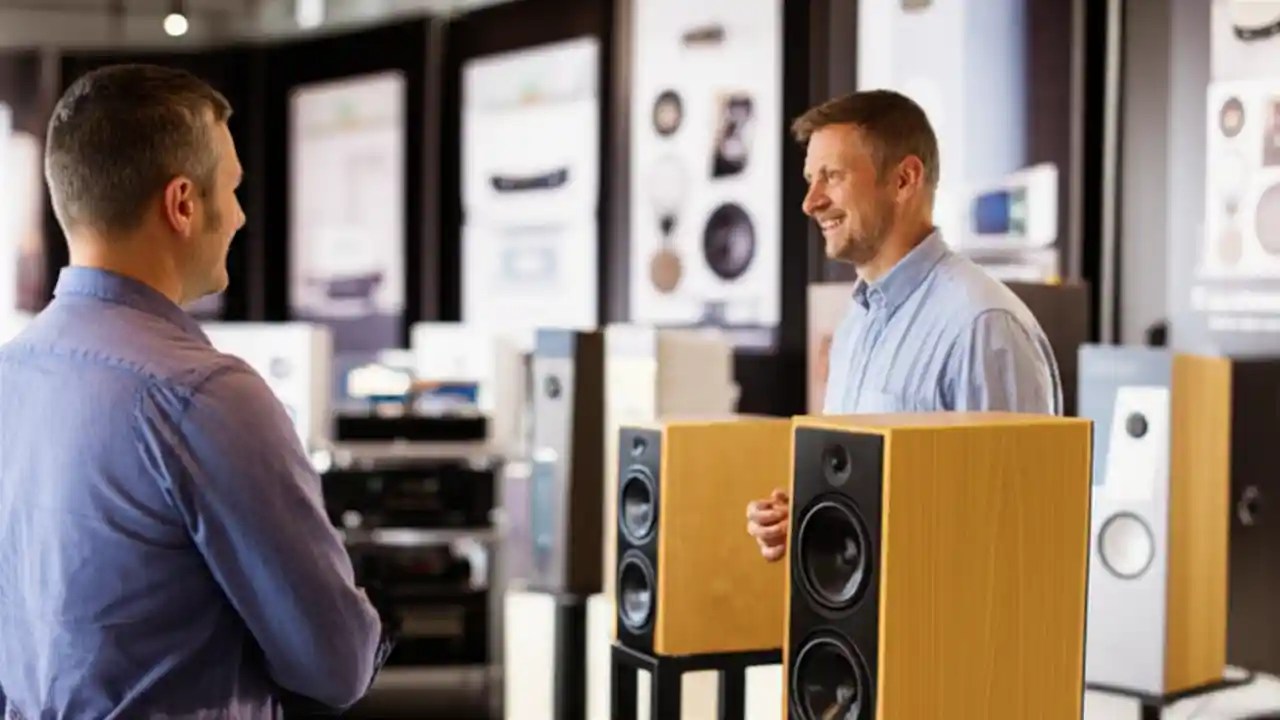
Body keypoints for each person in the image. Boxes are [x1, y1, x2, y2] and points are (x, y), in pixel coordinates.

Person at [0, 64, 390, 719]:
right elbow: (335, 664)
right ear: (183, 203)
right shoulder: (205, 395)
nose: (238, 215)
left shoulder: (13, 372)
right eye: (233, 188)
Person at [747, 90, 1062, 562]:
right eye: (811, 179)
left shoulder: (984, 325)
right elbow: (869, 495)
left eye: (831, 176)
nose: (811, 202)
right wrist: (808, 516)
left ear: (904, 180)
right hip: (851, 626)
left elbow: (1015, 530)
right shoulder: (854, 326)